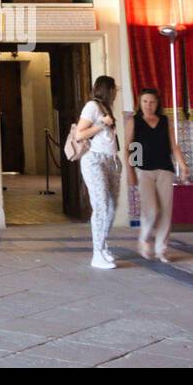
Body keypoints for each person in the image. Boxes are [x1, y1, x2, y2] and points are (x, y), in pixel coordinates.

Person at [125, 88, 190, 262]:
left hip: (164, 169)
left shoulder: (164, 121)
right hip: (144, 170)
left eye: (152, 102)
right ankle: (144, 239)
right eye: (145, 101)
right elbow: (129, 147)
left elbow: (173, 146)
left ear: (157, 103)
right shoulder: (134, 121)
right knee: (151, 210)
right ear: (140, 102)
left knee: (166, 211)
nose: (148, 105)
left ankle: (162, 248)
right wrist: (131, 170)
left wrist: (183, 166)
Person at [75, 75, 121, 270]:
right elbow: (79, 134)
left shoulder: (106, 108)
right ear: (107, 89)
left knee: (112, 206)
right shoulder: (92, 106)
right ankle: (97, 253)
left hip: (111, 160)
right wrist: (102, 124)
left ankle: (103, 247)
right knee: (101, 205)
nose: (117, 92)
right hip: (94, 160)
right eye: (115, 88)